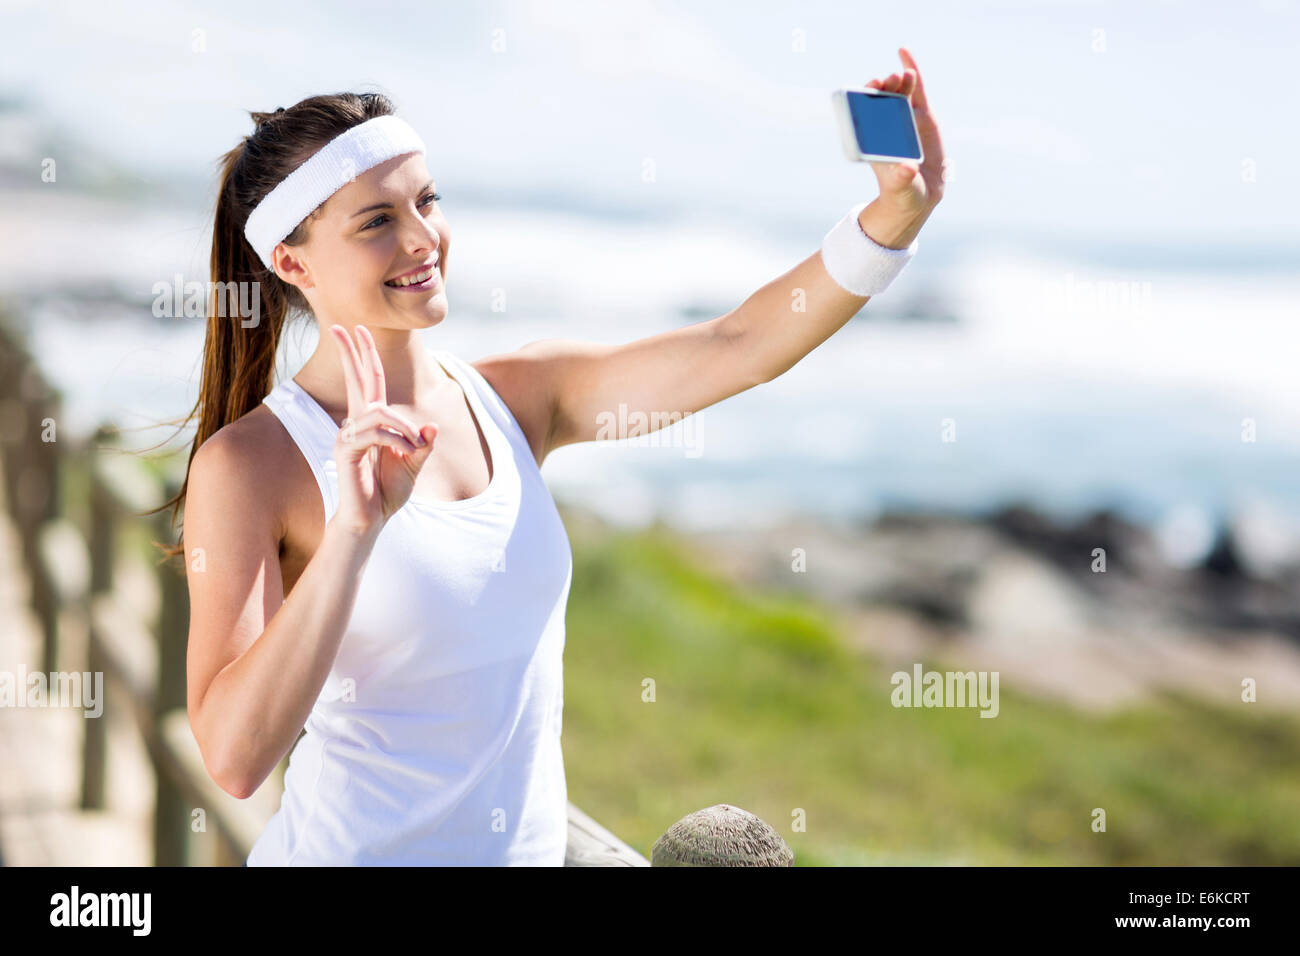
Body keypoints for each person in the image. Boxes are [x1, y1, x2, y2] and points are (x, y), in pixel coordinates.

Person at [165, 48, 945, 866]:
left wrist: (895, 217)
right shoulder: (250, 464)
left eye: (427, 201)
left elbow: (739, 345)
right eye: (377, 221)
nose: (424, 238)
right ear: (291, 264)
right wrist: (355, 535)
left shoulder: (520, 400)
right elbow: (233, 756)